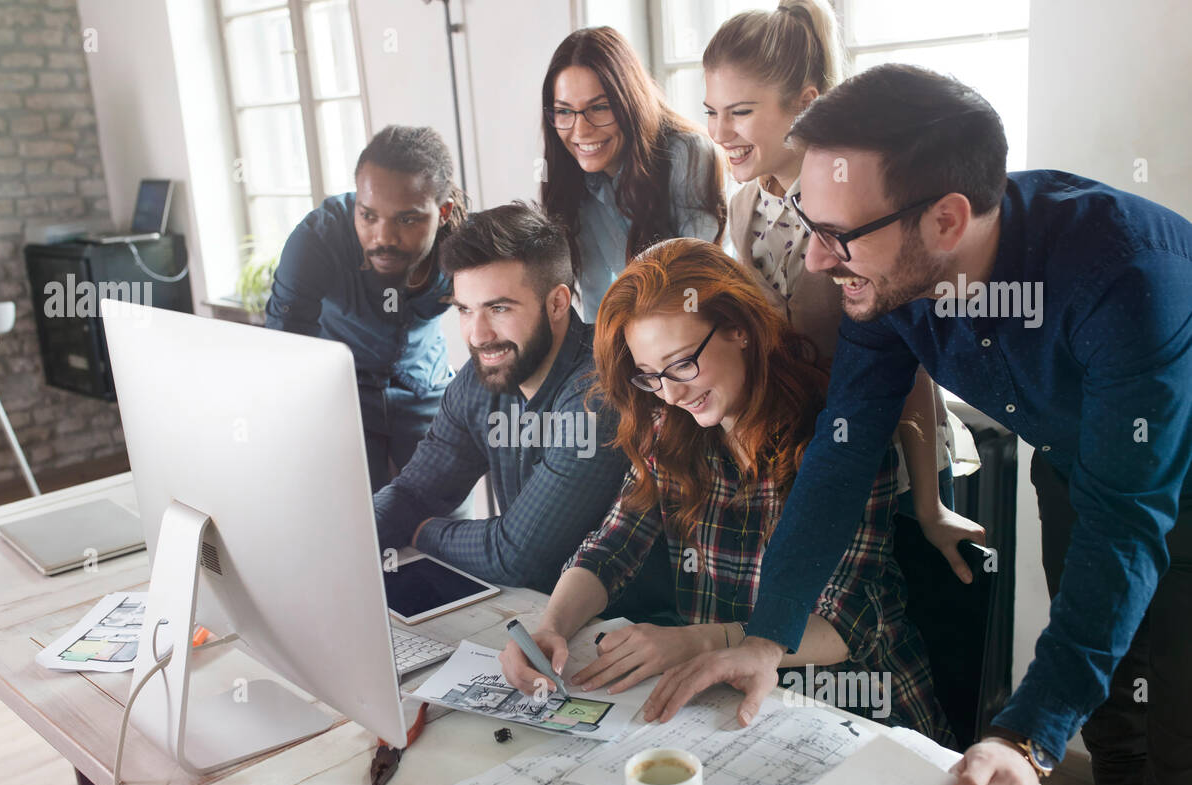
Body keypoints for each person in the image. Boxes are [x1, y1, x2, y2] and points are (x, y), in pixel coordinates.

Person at [646, 65, 1192, 785]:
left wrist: (1029, 738)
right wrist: (769, 634)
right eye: (809, 223)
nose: (816, 262)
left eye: (839, 236)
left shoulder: (1127, 275)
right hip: (1082, 468)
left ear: (946, 219)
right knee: (1114, 721)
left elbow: (1129, 523)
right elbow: (844, 447)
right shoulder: (885, 281)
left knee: (1179, 759)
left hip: (1162, 482)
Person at [498, 238, 953, 745]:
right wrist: (552, 627)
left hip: (852, 707)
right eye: (649, 376)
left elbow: (848, 623)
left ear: (739, 328)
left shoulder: (836, 432)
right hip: (722, 699)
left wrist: (696, 642)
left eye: (682, 364)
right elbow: (612, 546)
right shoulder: (670, 427)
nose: (671, 394)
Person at [703, 1, 982, 578]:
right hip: (817, 459)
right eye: (711, 112)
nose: (720, 133)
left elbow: (911, 368)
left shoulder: (859, 202)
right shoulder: (742, 207)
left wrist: (929, 506)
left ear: (805, 105)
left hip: (902, 460)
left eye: (741, 112)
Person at [372, 203, 631, 592]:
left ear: (557, 304)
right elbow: (414, 493)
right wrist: (342, 539)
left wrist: (421, 530)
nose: (478, 335)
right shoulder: (481, 378)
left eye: (498, 308)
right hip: (537, 619)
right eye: (464, 310)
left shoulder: (597, 394)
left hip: (626, 629)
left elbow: (517, 558)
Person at [264, 125, 467, 493]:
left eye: (407, 219)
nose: (384, 238)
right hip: (343, 393)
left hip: (428, 386)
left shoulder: (466, 246)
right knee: (356, 526)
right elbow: (284, 349)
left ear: (443, 211)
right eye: (368, 216)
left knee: (443, 522)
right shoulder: (316, 239)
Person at [540, 27, 727, 320]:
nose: (580, 131)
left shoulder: (688, 153)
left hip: (705, 327)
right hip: (645, 336)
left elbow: (698, 288)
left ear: (630, 102)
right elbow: (596, 300)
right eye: (564, 111)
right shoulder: (573, 178)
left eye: (599, 107)